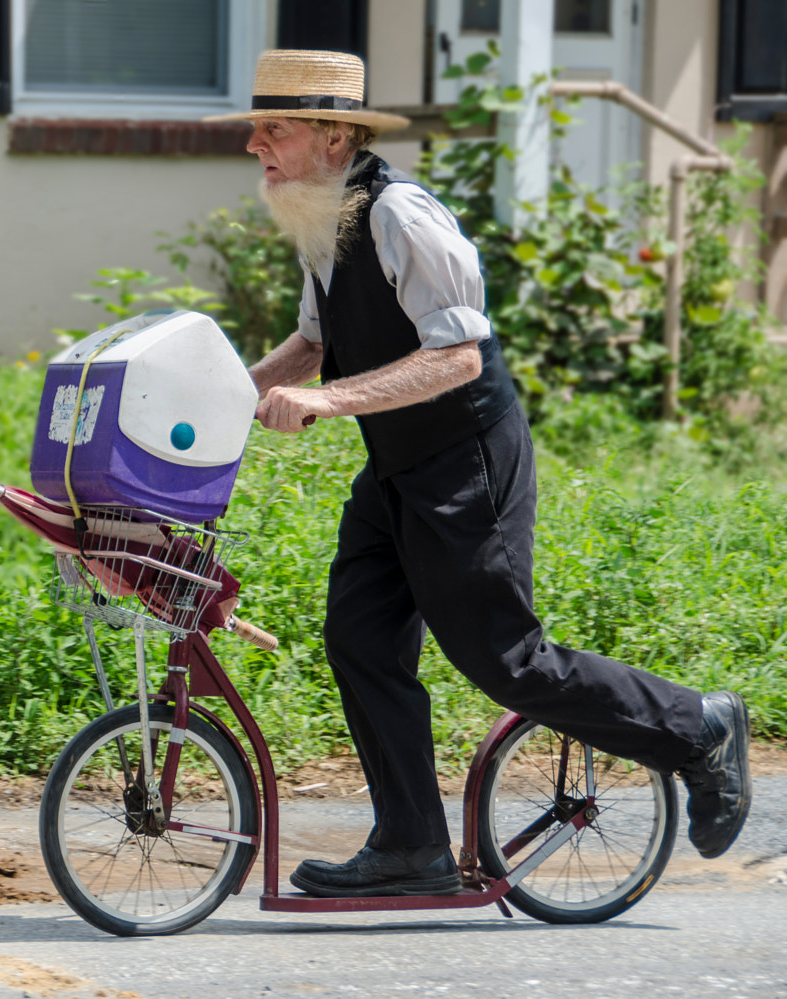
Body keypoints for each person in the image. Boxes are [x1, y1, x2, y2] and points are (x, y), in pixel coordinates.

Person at [209, 49, 752, 898]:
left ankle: (698, 726)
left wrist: (330, 401)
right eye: (256, 128)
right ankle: (411, 843)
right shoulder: (321, 214)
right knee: (359, 637)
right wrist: (224, 400)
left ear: (333, 135)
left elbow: (459, 355)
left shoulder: (401, 214)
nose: (255, 145)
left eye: (272, 128)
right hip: (395, 463)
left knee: (508, 661)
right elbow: (314, 342)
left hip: (466, 461)